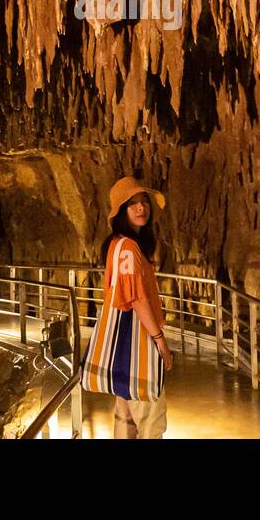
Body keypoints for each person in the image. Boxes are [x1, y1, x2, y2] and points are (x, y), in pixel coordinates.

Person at [99, 175, 173, 439]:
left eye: (144, 202)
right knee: (151, 420)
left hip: (122, 348)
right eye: (133, 204)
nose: (142, 208)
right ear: (121, 212)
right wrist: (160, 341)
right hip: (137, 345)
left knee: (125, 419)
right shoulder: (129, 248)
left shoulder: (116, 245)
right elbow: (136, 298)